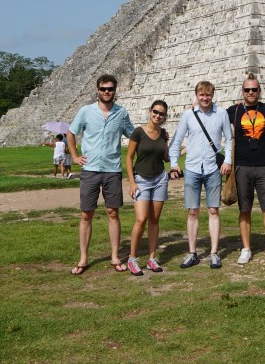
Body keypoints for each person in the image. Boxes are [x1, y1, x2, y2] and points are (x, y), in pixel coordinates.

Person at [66, 74, 136, 275]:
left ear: (115, 90)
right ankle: (83, 258)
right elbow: (71, 132)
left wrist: (155, 132)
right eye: (103, 88)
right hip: (90, 169)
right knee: (86, 214)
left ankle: (115, 256)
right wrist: (75, 156)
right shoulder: (86, 111)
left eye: (111, 88)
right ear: (97, 90)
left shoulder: (121, 113)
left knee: (113, 213)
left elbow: (133, 134)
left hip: (112, 169)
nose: (107, 92)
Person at [168, 81, 233, 269]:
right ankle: (192, 252)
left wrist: (227, 160)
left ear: (213, 95)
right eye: (201, 95)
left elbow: (229, 139)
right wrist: (174, 164)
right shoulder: (188, 115)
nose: (205, 98)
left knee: (213, 210)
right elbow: (177, 140)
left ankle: (213, 253)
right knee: (192, 211)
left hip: (213, 168)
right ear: (196, 95)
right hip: (192, 168)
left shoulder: (221, 114)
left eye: (208, 95)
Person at [226, 74, 265, 267]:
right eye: (247, 90)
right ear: (242, 92)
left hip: (264, 167)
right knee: (245, 210)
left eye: (254, 89)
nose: (250, 92)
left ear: (259, 91)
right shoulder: (233, 111)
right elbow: (210, 118)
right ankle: (246, 249)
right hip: (242, 166)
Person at [126, 100, 171, 276]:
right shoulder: (138, 132)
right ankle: (132, 258)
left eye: (161, 114)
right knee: (141, 219)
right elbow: (129, 158)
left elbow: (166, 158)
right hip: (141, 180)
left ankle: (152, 258)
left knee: (154, 219)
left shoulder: (163, 133)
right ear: (149, 111)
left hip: (160, 178)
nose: (158, 116)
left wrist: (169, 143)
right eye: (155, 112)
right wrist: (132, 182)